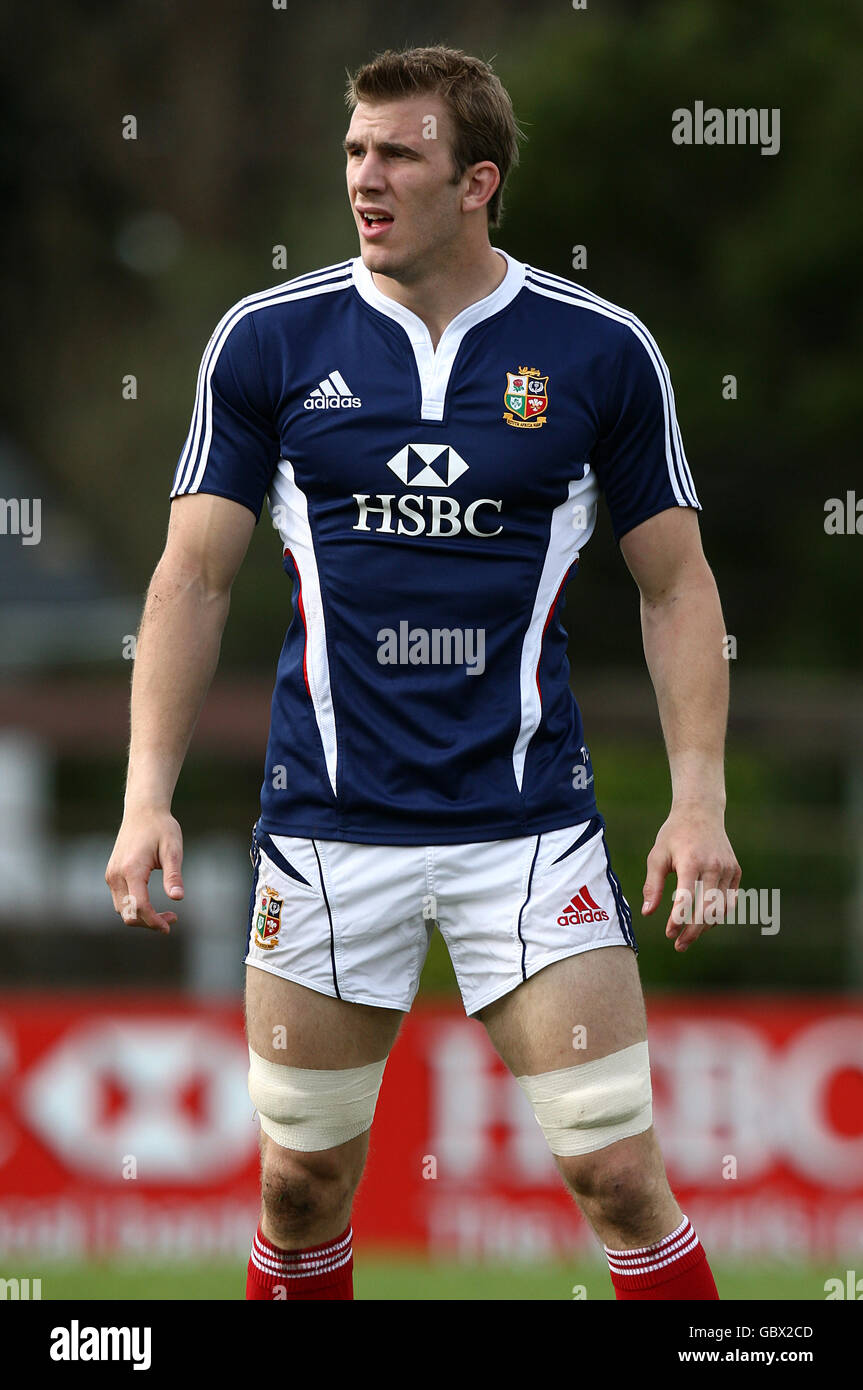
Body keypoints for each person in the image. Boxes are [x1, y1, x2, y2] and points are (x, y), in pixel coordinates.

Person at [105, 44, 741, 1302]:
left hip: (529, 830)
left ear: (476, 181)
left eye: (398, 153)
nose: (365, 177)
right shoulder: (269, 343)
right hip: (329, 828)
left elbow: (675, 584)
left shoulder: (598, 350)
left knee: (617, 1178)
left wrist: (698, 795)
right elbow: (192, 580)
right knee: (299, 1196)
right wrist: (143, 795)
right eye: (353, 151)